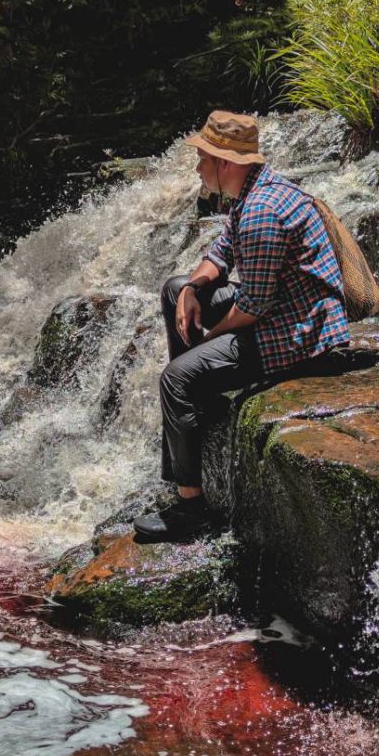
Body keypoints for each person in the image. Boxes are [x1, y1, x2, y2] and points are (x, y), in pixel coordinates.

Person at [134, 110, 350, 542]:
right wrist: (192, 288)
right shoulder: (252, 193)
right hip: (281, 308)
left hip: (299, 334)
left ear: (225, 163)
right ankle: (200, 400)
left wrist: (208, 343)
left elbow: (253, 307)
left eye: (203, 159)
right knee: (174, 290)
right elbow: (220, 253)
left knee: (175, 379)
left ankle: (191, 508)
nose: (197, 168)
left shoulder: (260, 213)